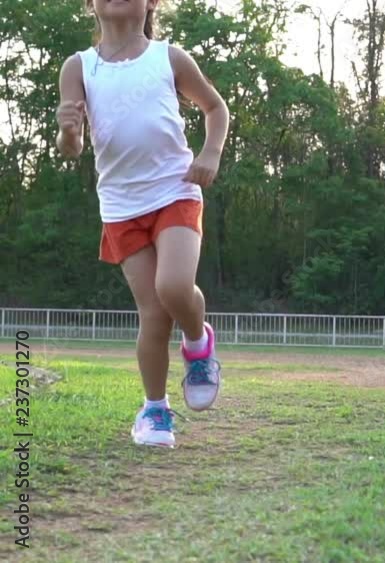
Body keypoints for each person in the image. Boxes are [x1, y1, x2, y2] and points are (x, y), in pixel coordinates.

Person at [56, 0, 229, 447]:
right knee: (152, 312)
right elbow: (72, 149)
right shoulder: (79, 67)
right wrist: (68, 131)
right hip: (120, 205)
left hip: (175, 190)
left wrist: (209, 154)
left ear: (151, 2)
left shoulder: (168, 57)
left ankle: (198, 341)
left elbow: (215, 108)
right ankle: (155, 411)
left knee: (172, 288)